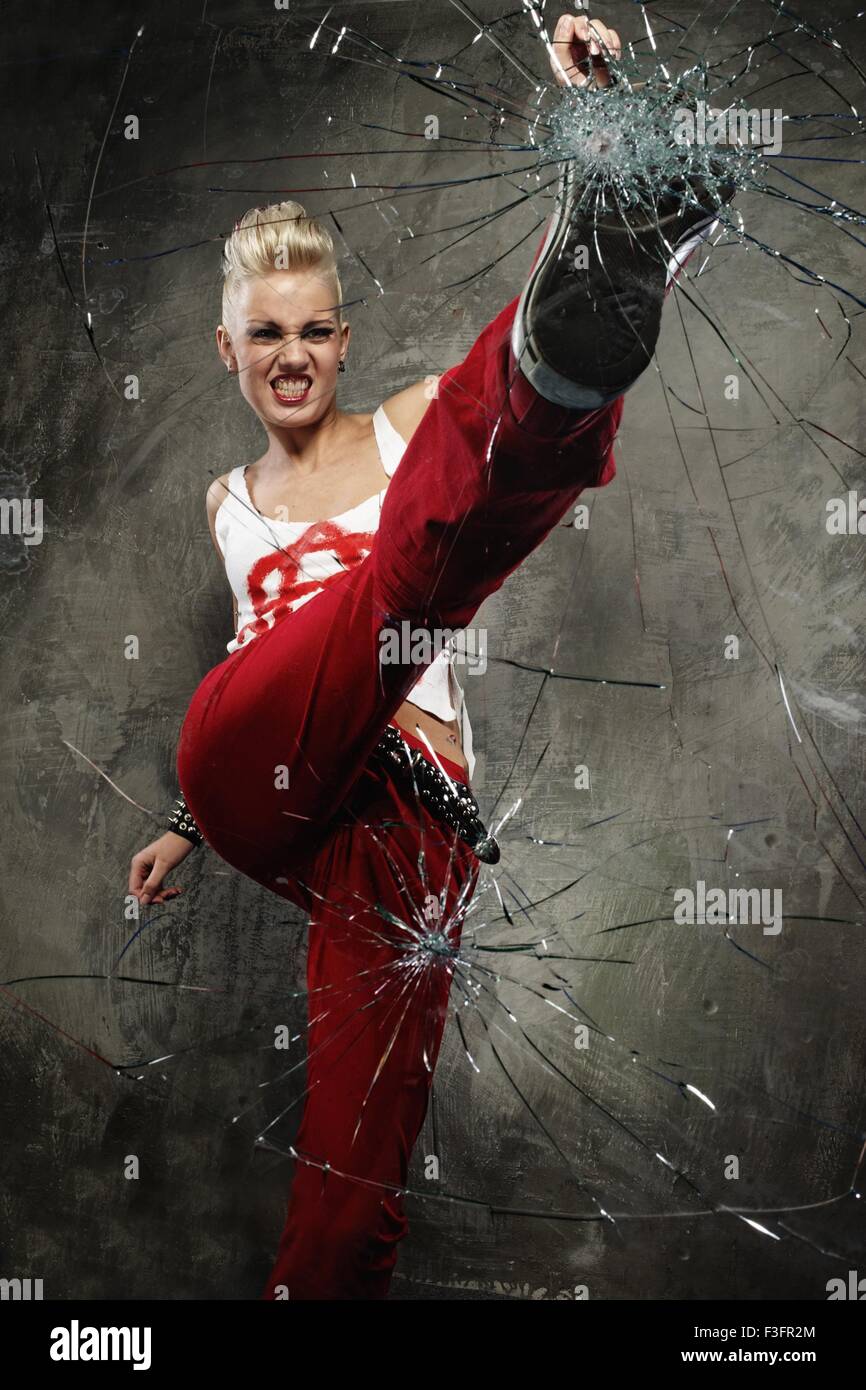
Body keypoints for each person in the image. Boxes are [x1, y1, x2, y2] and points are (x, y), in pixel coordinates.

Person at [127, 14, 727, 1299]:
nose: (294, 357)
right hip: (260, 768)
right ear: (228, 352)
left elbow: (462, 430)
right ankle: (580, 314)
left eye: (316, 332)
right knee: (393, 583)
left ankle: (616, 257)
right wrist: (186, 820)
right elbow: (266, 658)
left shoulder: (404, 427)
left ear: (344, 342)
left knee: (350, 1202)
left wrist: (596, 143)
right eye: (266, 335)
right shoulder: (224, 501)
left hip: (407, 826)